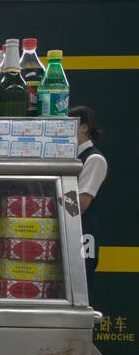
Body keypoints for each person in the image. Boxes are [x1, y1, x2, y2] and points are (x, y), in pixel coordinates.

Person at [68, 105, 108, 294]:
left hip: (84, 236)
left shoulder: (94, 159)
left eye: (70, 124)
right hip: (69, 234)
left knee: (80, 291)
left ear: (84, 127)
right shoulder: (70, 158)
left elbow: (81, 204)